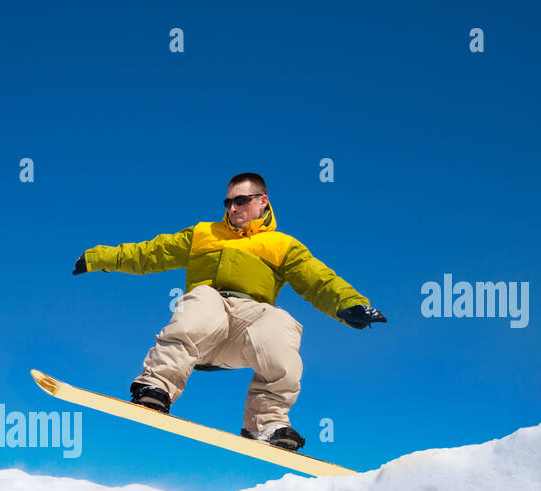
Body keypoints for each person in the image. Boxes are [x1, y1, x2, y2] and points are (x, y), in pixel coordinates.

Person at [72, 172, 385, 451]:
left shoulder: (282, 245)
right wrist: (99, 257)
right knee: (205, 298)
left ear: (263, 201)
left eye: (241, 201)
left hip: (248, 331)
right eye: (228, 202)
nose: (232, 208)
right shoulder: (202, 234)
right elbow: (149, 254)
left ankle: (266, 424)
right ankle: (157, 387)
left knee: (280, 322)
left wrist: (349, 304)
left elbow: (318, 279)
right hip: (204, 327)